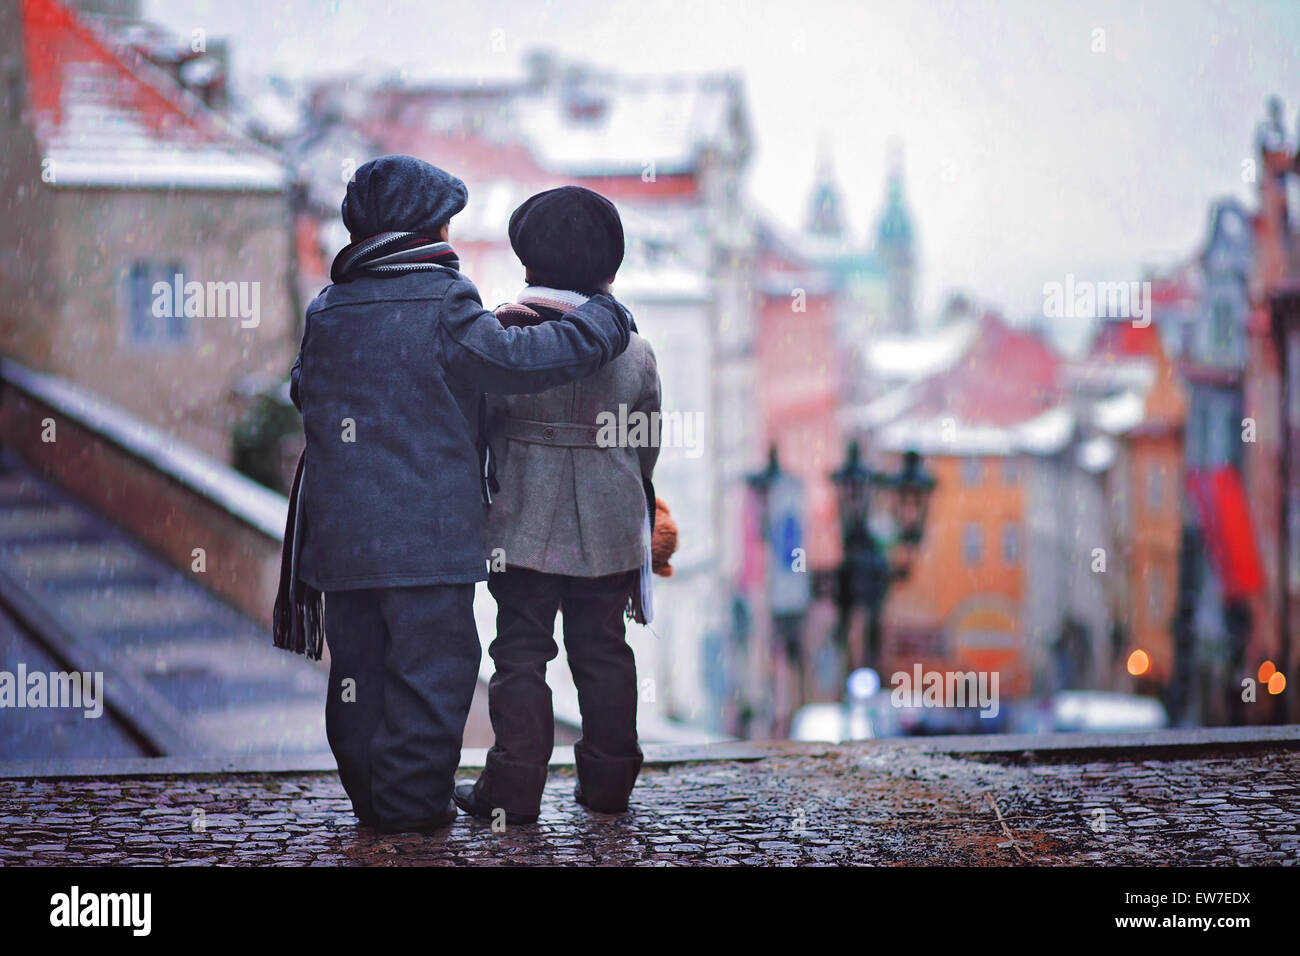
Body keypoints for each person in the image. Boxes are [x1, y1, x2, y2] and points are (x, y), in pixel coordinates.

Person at [276, 158, 633, 834]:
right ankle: (410, 811)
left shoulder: (328, 308)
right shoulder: (443, 302)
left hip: (340, 540)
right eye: (445, 222)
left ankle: (373, 803)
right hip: (424, 540)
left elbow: (305, 391)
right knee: (432, 673)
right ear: (426, 229)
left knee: (359, 677)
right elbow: (523, 359)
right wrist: (602, 320)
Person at [452, 186, 664, 824]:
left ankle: (514, 787)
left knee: (520, 654)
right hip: (611, 525)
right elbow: (646, 445)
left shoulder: (503, 342)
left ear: (527, 264)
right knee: (603, 652)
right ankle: (610, 781)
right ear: (610, 271)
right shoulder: (635, 352)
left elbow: (478, 429)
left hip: (520, 522)